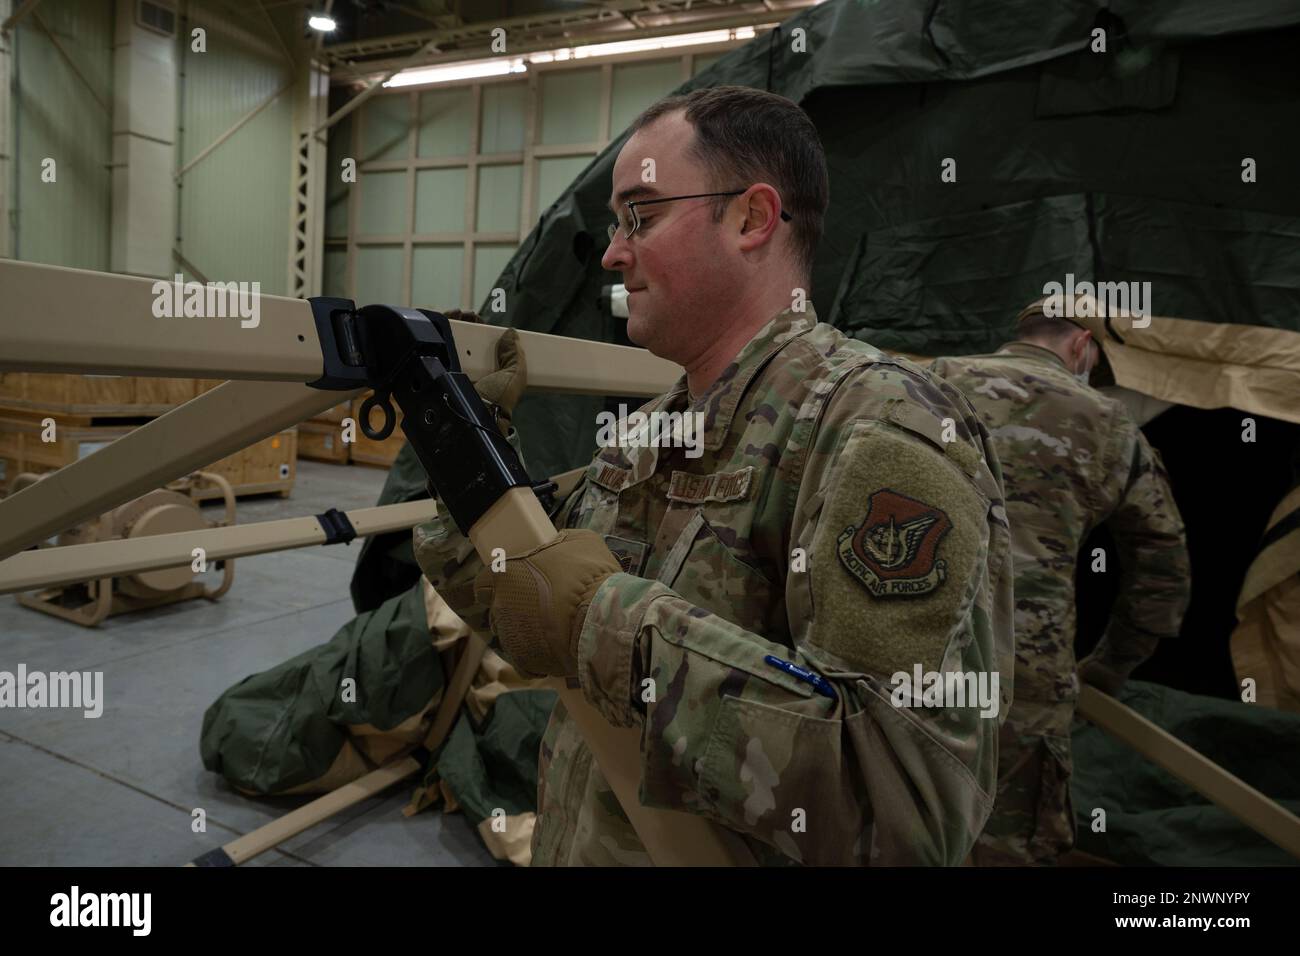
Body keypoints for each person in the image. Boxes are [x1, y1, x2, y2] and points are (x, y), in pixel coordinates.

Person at [415, 86, 1014, 866]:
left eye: (642, 215)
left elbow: (901, 805)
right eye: (614, 222)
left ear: (751, 219)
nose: (612, 252)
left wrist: (606, 623)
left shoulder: (879, 429)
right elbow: (530, 612)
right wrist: (464, 468)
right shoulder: (650, 433)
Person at [930, 297, 1192, 865]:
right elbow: (1162, 562)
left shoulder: (931, 381)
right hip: (1028, 676)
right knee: (1011, 845)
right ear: (1082, 345)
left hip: (909, 658)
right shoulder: (1105, 420)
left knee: (901, 826)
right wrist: (1112, 663)